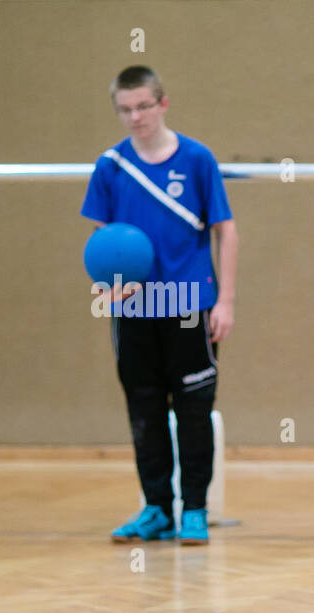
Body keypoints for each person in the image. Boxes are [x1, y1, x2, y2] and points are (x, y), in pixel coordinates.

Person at [83, 65, 237, 545]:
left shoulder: (196, 159)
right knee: (144, 410)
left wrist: (225, 300)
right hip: (133, 312)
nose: (135, 117)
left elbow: (225, 230)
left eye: (143, 106)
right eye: (125, 110)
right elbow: (102, 239)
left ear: (163, 103)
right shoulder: (110, 166)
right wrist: (109, 288)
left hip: (190, 304)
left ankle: (194, 509)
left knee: (193, 410)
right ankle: (156, 509)